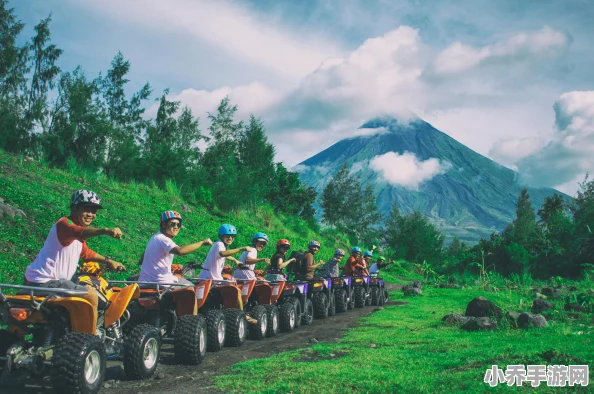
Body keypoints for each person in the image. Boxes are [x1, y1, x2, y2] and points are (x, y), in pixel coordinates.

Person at [24, 189, 125, 327]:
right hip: (46, 282)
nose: (90, 214)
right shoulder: (65, 224)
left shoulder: (75, 233)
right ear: (74, 208)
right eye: (86, 209)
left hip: (36, 280)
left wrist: (108, 261)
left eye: (94, 210)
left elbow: (85, 253)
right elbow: (79, 233)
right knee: (91, 296)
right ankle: (90, 338)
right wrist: (105, 230)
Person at [198, 224, 257, 323]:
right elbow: (223, 254)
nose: (230, 238)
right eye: (227, 236)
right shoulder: (219, 244)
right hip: (213, 280)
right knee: (236, 290)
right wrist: (240, 249)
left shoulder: (218, 245)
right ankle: (242, 314)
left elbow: (223, 254)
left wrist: (234, 260)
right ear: (221, 236)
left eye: (232, 236)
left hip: (209, 278)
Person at [138, 210, 212, 286]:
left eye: (178, 225)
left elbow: (143, 257)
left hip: (145, 281)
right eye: (173, 224)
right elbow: (180, 251)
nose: (176, 227)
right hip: (161, 282)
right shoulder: (163, 239)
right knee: (193, 287)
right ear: (163, 224)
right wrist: (202, 243)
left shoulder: (155, 237)